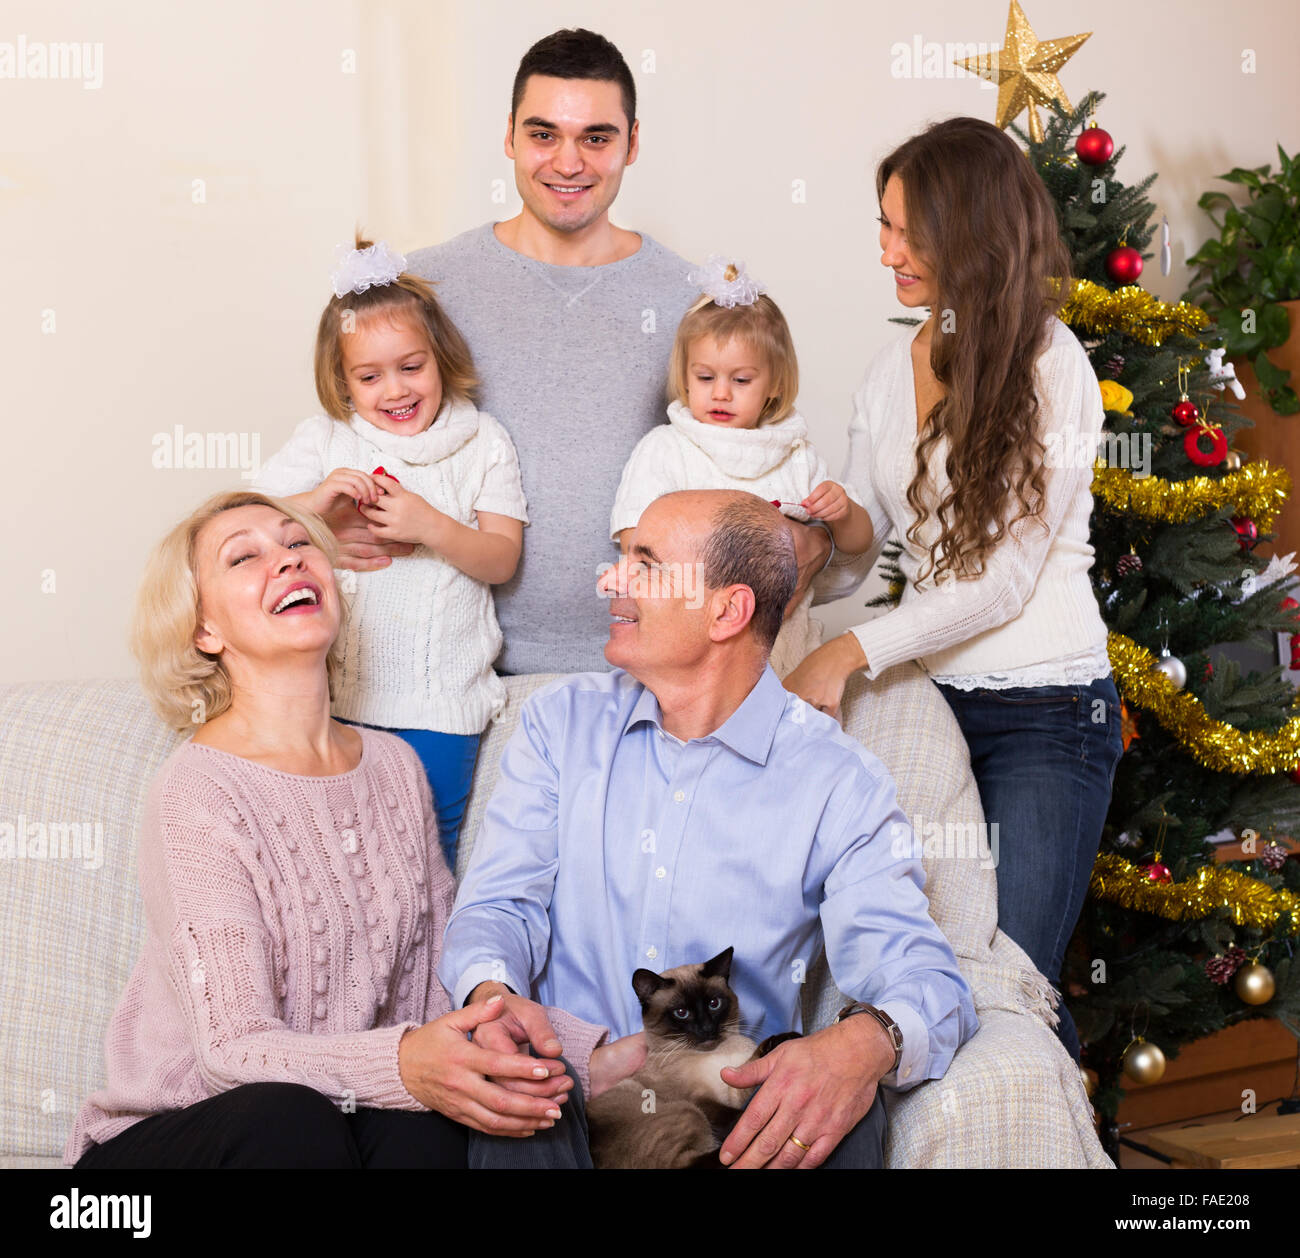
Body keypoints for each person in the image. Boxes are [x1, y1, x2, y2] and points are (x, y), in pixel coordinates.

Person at [65, 490, 638, 1169]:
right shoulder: (197, 790)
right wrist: (404, 1062)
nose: (286, 561)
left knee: (438, 1128)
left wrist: (588, 1055)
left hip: (328, 1122)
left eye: (299, 543)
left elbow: (436, 985)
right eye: (245, 557)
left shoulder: (394, 766)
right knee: (290, 1116)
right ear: (204, 632)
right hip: (175, 1139)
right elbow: (231, 1051)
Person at [438, 489, 978, 1169]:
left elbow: (921, 972)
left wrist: (865, 1046)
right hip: (573, 1100)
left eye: (646, 563)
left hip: (726, 1122)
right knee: (514, 1092)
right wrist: (494, 1001)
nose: (612, 579)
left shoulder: (836, 779)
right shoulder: (558, 725)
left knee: (834, 1080)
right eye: (620, 557)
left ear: (727, 610)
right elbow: (497, 909)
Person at [784, 117, 1124, 1062]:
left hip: (1048, 714)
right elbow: (863, 551)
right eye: (883, 225)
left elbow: (1002, 581)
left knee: (1007, 983)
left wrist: (848, 651)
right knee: (916, 975)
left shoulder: (1055, 366)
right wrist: (826, 525)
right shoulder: (888, 374)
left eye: (906, 230)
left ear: (969, 232)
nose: (885, 250)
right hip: (931, 708)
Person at [384, 28, 834, 674]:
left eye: (596, 138)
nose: (569, 163)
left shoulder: (698, 302)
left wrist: (812, 541)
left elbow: (767, 458)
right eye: (544, 135)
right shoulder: (426, 289)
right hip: (460, 670)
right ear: (509, 136)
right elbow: (359, 442)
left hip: (657, 667)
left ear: (633, 142)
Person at [252, 235, 526, 868]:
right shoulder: (326, 440)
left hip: (441, 705)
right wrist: (314, 504)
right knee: (341, 864)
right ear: (343, 382)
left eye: (411, 366)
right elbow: (239, 522)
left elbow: (500, 558)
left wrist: (432, 525)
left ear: (441, 357)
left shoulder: (481, 441)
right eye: (369, 376)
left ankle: (430, 970)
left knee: (426, 858)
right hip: (341, 703)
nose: (395, 390)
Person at [610, 255, 873, 678]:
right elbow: (633, 544)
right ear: (685, 374)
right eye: (705, 377)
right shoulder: (666, 449)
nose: (721, 394)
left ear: (775, 385)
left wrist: (842, 512)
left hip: (786, 659)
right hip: (689, 656)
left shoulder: (795, 454)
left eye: (741, 380)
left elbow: (858, 542)